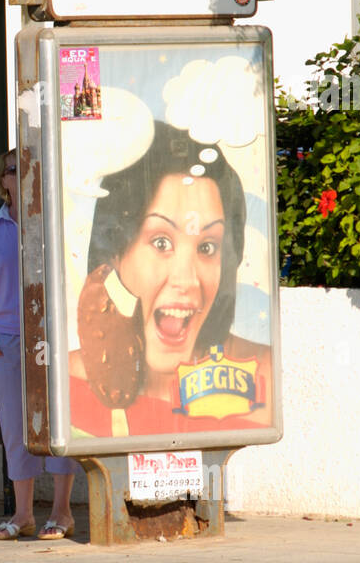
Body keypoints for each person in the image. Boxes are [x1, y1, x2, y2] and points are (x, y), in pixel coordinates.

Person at [70, 122, 272, 435]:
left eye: (208, 247)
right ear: (114, 253)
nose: (187, 280)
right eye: (161, 242)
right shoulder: (68, 384)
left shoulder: (262, 375)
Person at [0, 149, 80, 541]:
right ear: (3, 179)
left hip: (50, 337)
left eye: (28, 169)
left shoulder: (52, 221)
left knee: (55, 424)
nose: (20, 176)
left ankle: (62, 513)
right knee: (16, 429)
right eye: (13, 171)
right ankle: (22, 515)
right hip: (6, 338)